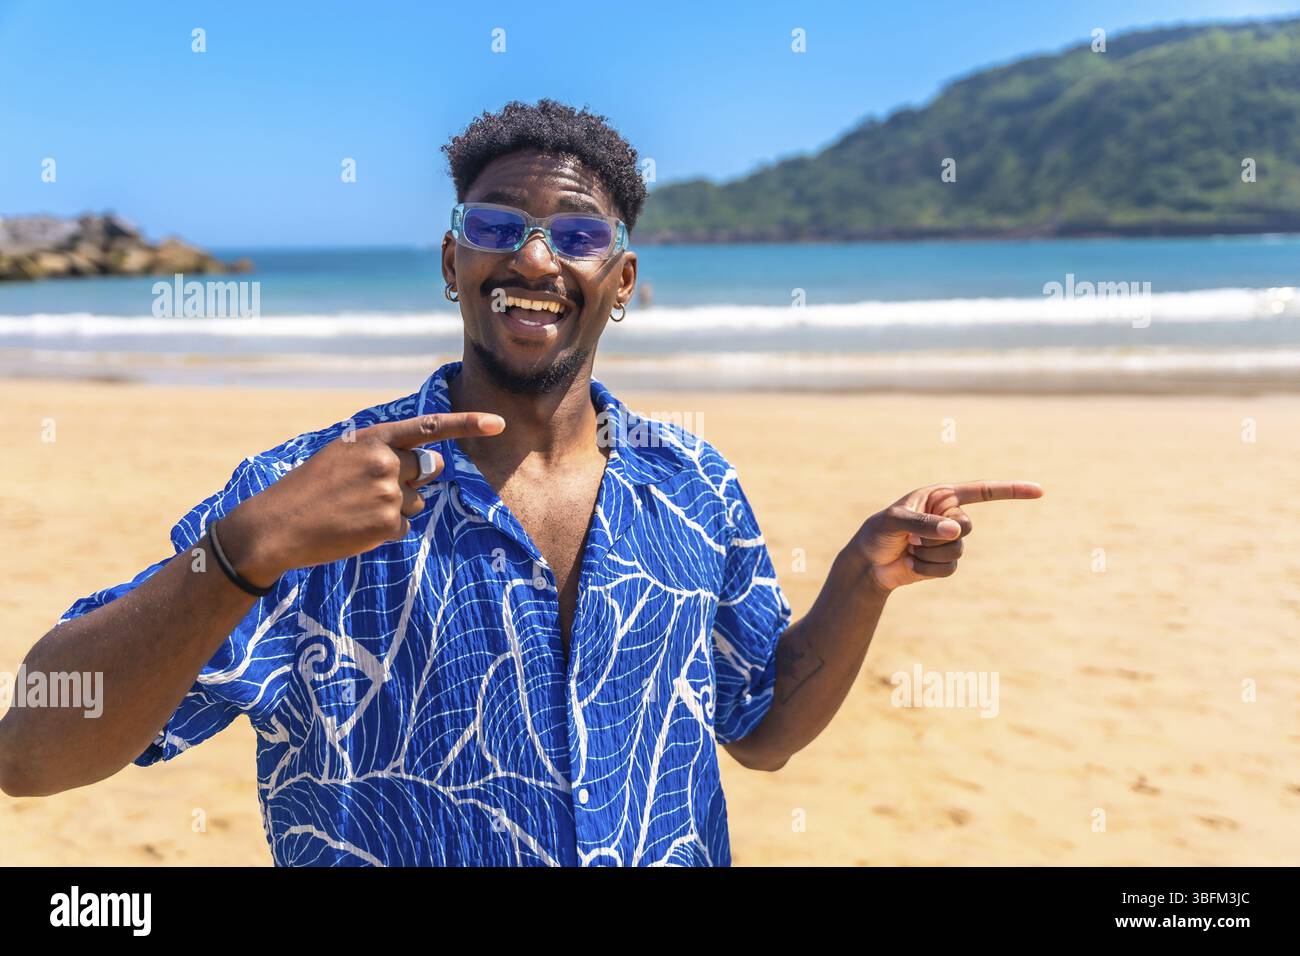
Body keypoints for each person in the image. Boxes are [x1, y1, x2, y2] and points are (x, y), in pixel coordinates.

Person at [0, 100, 1042, 866]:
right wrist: (238, 553)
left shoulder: (695, 487)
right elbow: (35, 750)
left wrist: (862, 579)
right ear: (452, 260)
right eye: (498, 227)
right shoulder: (305, 493)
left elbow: (760, 730)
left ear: (620, 281)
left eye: (578, 235)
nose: (535, 257)